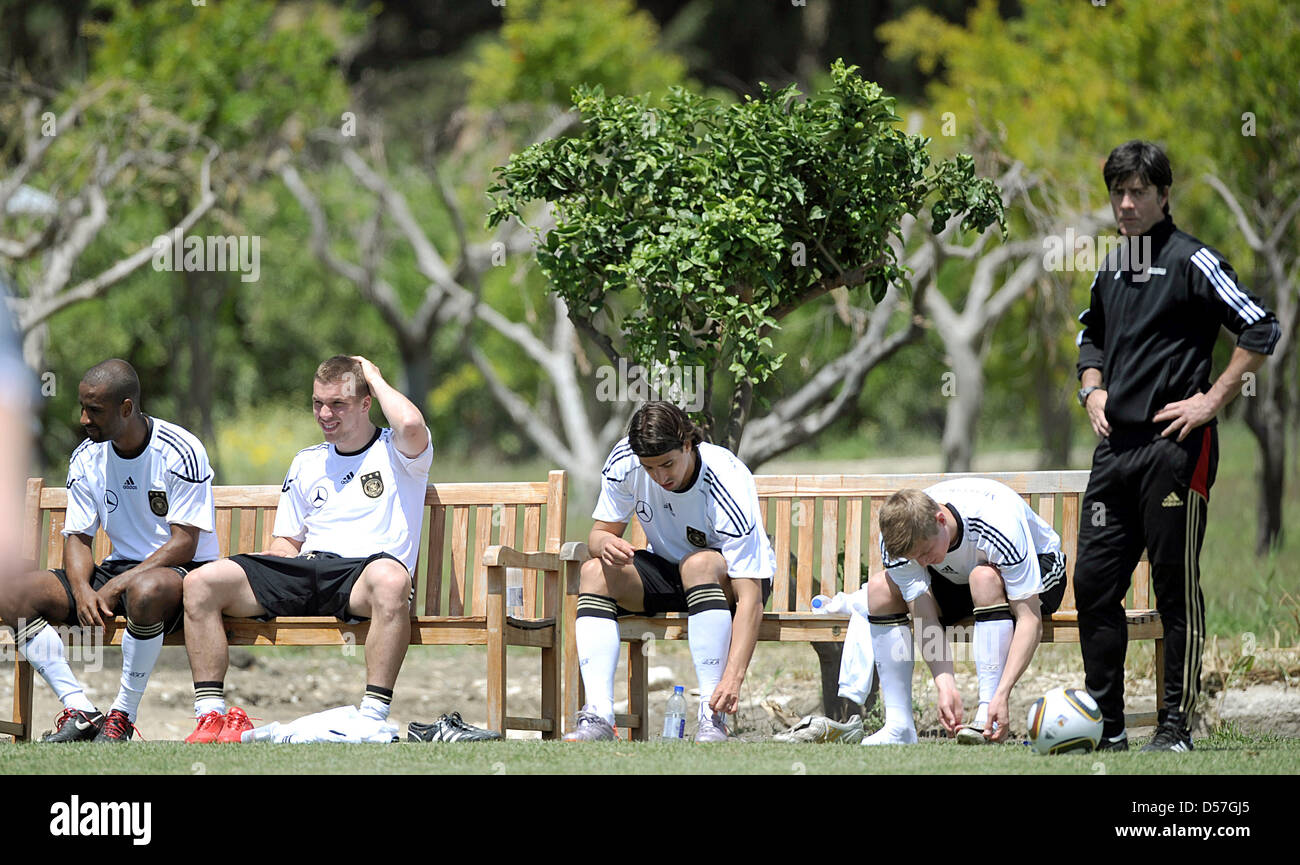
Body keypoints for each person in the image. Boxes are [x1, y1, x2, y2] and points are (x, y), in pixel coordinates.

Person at [1074, 140, 1279, 752]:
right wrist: (1092, 392)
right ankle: (1107, 728)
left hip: (1175, 449)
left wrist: (1212, 401)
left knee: (1173, 587)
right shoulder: (1110, 265)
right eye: (1119, 191)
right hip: (1114, 452)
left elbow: (1261, 327)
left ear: (1164, 196)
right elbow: (1091, 340)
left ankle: (1174, 728)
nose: (1127, 203)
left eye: (1139, 191)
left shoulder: (1195, 260)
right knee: (1092, 583)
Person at [181, 356, 432, 743]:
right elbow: (287, 543)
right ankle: (210, 716)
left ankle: (372, 716)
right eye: (318, 403)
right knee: (201, 582)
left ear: (366, 404)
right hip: (307, 570)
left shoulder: (399, 452)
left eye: (338, 404)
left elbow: (412, 423)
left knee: (391, 578)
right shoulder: (307, 461)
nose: (325, 414)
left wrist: (374, 377)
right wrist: (267, 569)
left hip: (363, 576)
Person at [0, 359, 218, 741]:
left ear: (127, 408)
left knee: (144, 590)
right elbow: (78, 537)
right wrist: (83, 588)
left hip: (179, 572)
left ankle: (122, 716)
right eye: (83, 407)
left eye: (94, 410)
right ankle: (80, 709)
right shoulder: (86, 456)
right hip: (117, 571)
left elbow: (185, 543)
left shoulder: (180, 449)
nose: (84, 418)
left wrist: (117, 585)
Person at [565, 401, 775, 742]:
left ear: (688, 444)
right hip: (669, 571)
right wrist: (602, 544)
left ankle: (712, 716)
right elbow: (599, 533)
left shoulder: (727, 478)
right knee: (593, 572)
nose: (661, 477)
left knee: (699, 563)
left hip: (730, 582)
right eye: (650, 469)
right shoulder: (625, 460)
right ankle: (599, 718)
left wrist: (734, 677)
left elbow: (750, 596)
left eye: (668, 464)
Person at [863, 479, 1066, 745]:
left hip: (1040, 566)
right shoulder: (900, 538)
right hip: (960, 575)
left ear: (940, 520)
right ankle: (899, 726)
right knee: (880, 588)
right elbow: (924, 614)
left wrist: (1002, 695)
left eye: (924, 552)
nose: (921, 563)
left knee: (983, 577)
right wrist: (944, 683)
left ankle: (988, 714)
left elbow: (1030, 621)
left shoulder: (996, 522)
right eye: (915, 559)